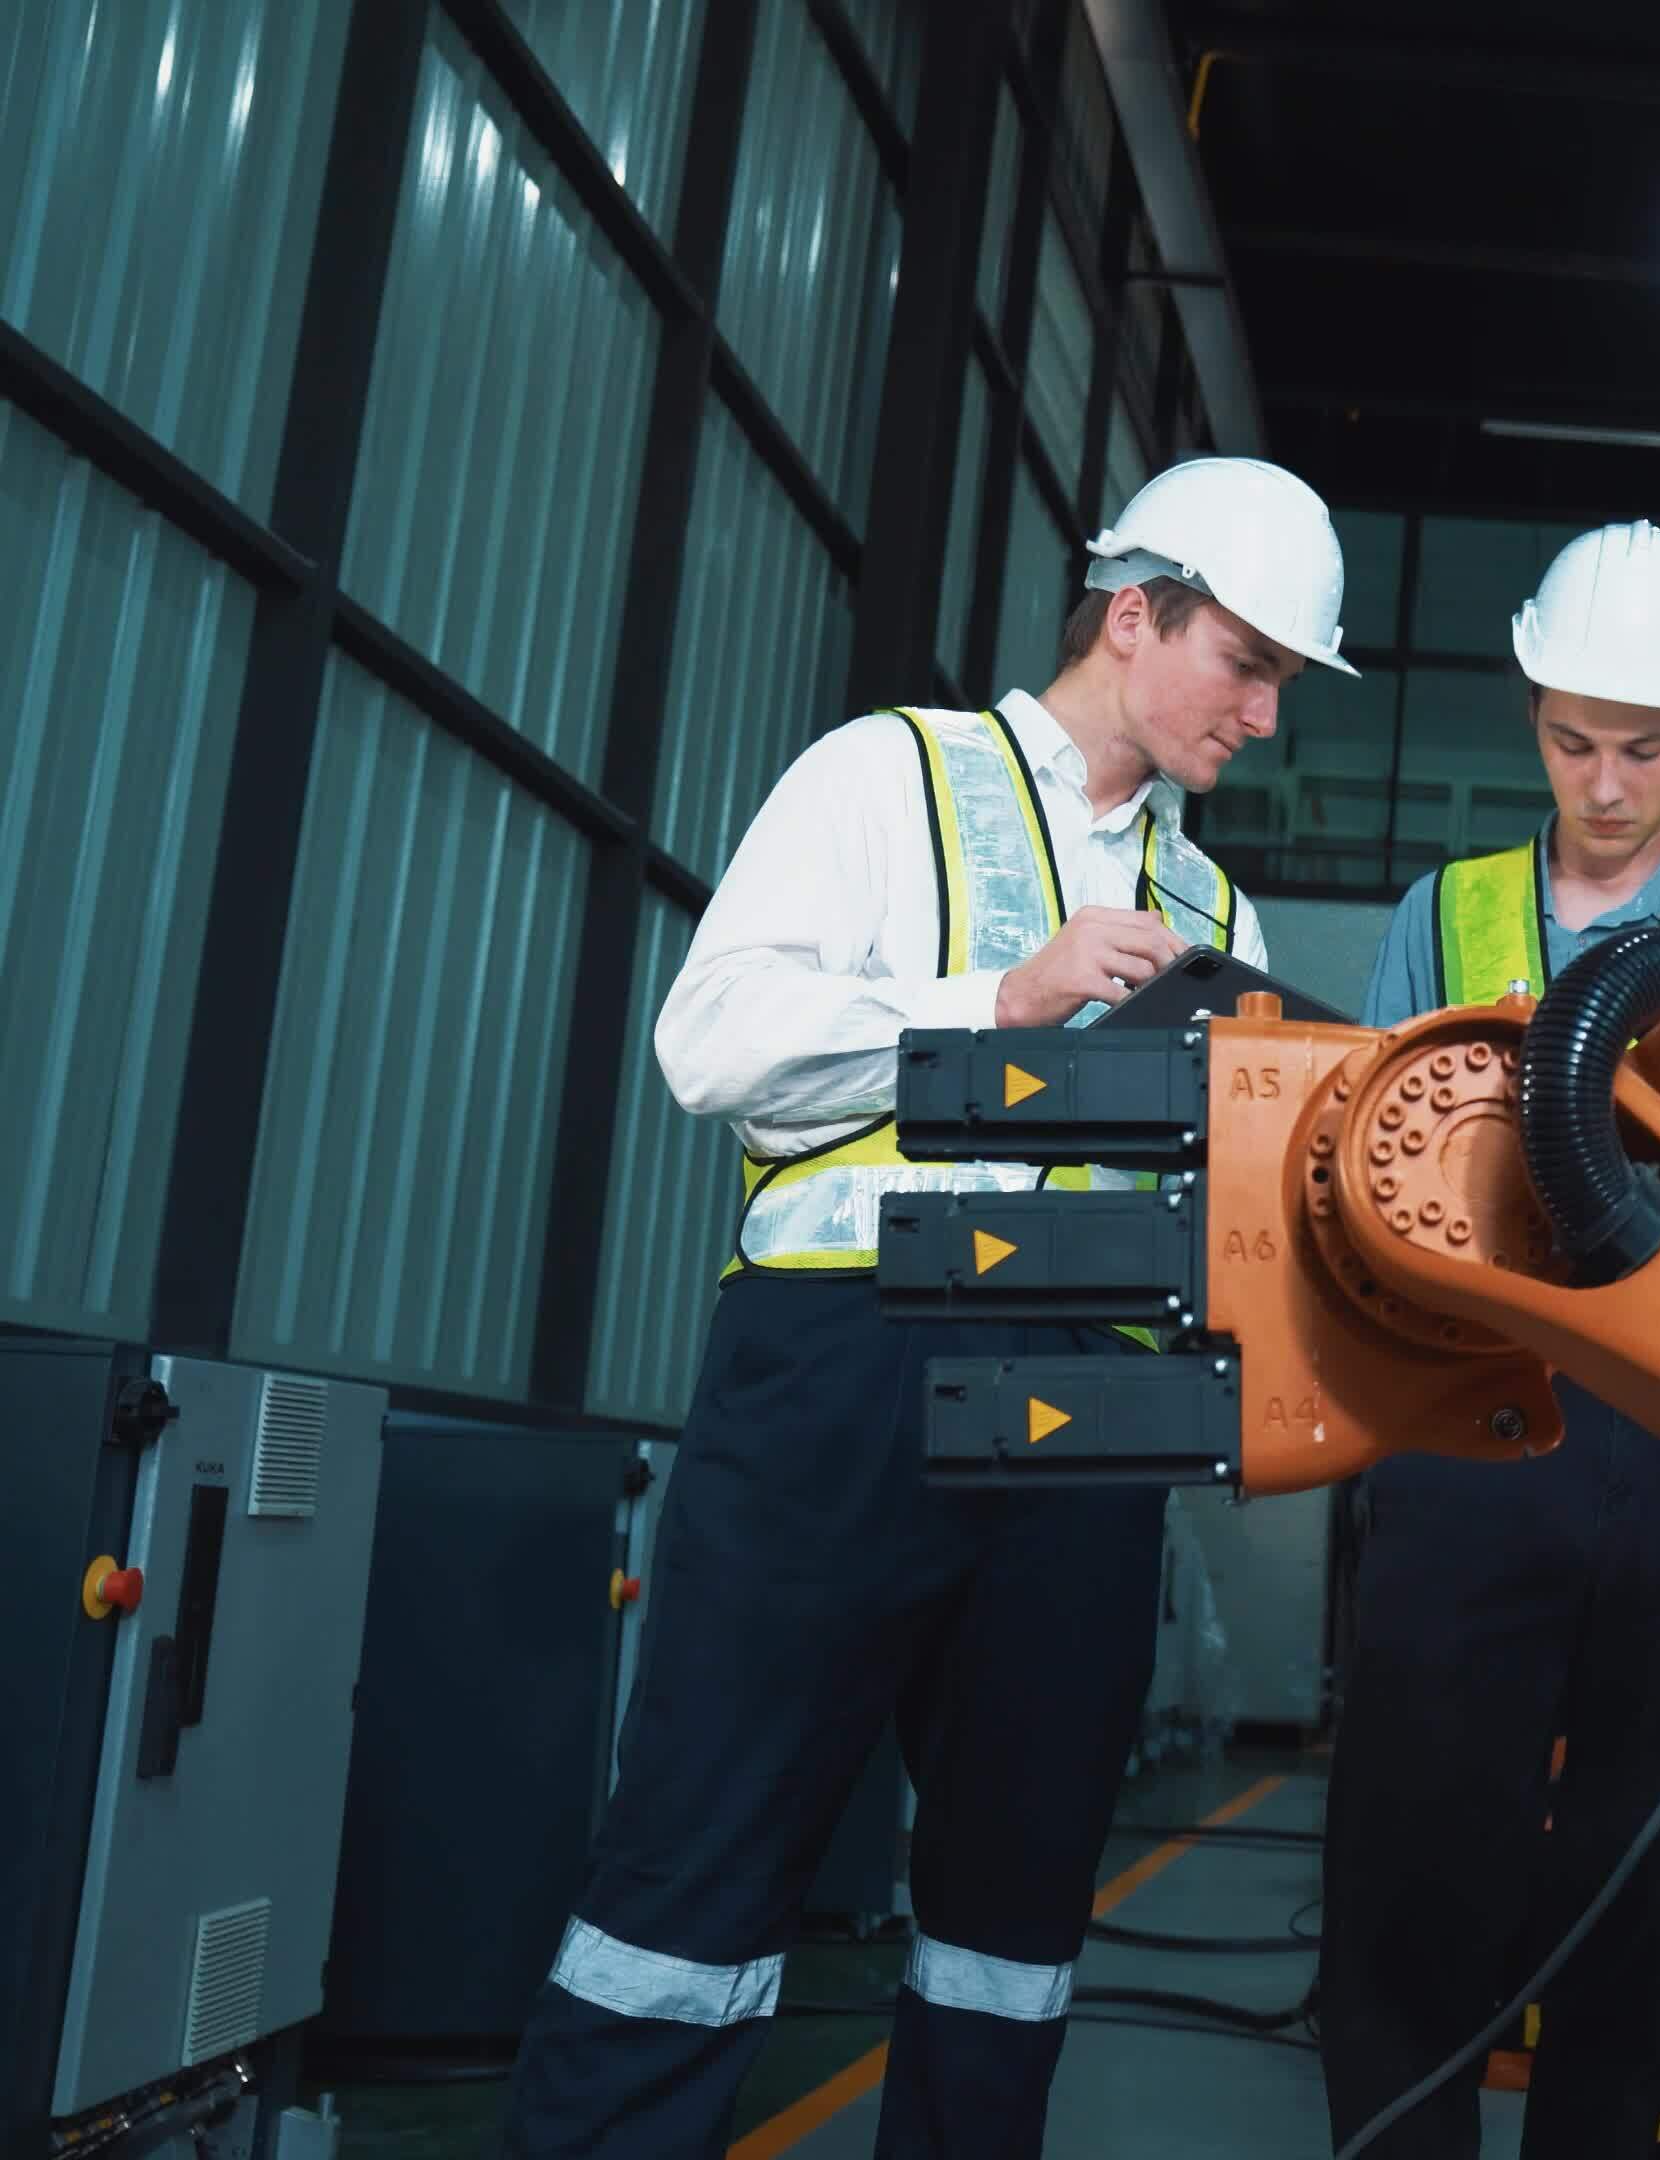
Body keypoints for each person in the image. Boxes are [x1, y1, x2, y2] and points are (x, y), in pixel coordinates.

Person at [502, 457, 1347, 2158]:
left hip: (1096, 1431)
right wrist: (995, 1004)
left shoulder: (1219, 912)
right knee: (702, 1863)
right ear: (1135, 614)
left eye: (1281, 681)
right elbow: (711, 1045)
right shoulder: (885, 778)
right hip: (848, 1371)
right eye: (1245, 664)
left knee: (1013, 1919)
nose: (1263, 713)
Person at [1318, 521, 1660, 2159]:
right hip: (1469, 1437)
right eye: (1576, 741)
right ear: (1532, 710)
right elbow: (1354, 1163)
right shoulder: (1443, 914)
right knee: (1412, 1870)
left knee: (1633, 1888)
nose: (1607, 784)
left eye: (1647, 750)